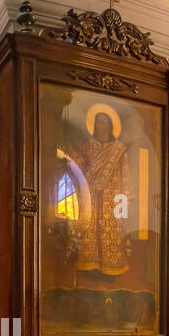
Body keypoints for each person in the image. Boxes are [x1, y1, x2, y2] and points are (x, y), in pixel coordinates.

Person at [73, 110, 132, 275]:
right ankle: (89, 265)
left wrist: (123, 203)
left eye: (103, 121)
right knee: (89, 227)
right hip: (90, 195)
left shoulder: (119, 149)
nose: (100, 125)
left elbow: (125, 175)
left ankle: (112, 266)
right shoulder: (87, 145)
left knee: (111, 230)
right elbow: (78, 167)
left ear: (110, 125)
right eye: (98, 121)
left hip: (112, 198)